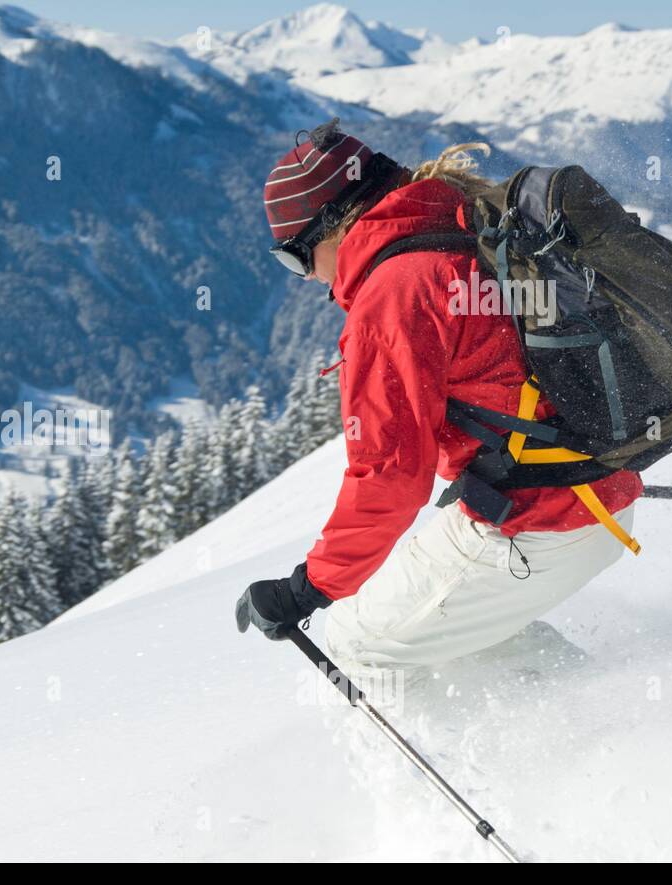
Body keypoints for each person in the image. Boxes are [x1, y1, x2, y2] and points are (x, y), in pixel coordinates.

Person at [235, 119, 641, 668]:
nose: (303, 277)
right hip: (600, 495)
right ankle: (586, 715)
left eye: (294, 257)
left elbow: (392, 479)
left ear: (331, 230)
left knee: (359, 643)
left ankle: (571, 734)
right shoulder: (464, 220)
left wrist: (305, 591)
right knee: (439, 629)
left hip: (537, 523)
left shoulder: (396, 293)